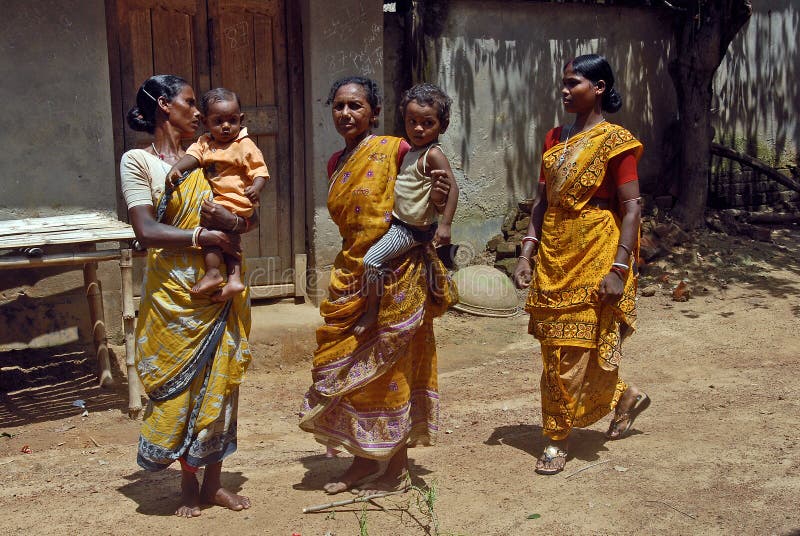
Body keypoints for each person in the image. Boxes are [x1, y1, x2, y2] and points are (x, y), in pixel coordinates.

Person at [299, 76, 457, 496]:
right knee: (353, 372)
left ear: (374, 112)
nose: (346, 114)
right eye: (339, 106)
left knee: (391, 371)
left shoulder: (399, 148)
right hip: (351, 276)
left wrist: (442, 210)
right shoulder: (335, 163)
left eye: (356, 106)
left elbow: (429, 197)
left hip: (398, 276)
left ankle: (395, 469)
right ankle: (361, 460)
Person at [120, 74, 256, 516]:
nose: (199, 112)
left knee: (219, 386)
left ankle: (214, 484)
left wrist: (231, 225)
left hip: (220, 292)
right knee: (179, 390)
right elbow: (146, 230)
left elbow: (243, 216)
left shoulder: (215, 155)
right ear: (164, 105)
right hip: (174, 295)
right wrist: (205, 235)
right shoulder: (138, 162)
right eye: (190, 102)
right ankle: (186, 485)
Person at [512, 54, 651, 476]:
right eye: (563, 83)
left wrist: (619, 269)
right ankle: (623, 396)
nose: (564, 90)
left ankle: (556, 437)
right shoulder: (554, 138)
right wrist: (526, 253)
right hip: (554, 252)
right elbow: (540, 202)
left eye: (574, 83)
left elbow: (631, 209)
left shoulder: (616, 141)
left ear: (600, 88)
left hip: (595, 249)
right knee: (553, 347)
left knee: (572, 348)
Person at [354, 82, 459, 335]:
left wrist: (445, 225)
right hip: (399, 222)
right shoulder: (411, 150)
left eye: (427, 123)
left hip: (409, 230)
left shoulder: (433, 154)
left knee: (371, 260)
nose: (418, 128)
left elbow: (453, 188)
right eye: (412, 121)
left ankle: (371, 312)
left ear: (442, 126)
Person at [166, 87, 269, 301]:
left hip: (235, 200)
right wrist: (178, 167)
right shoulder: (205, 143)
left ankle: (213, 273)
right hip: (222, 202)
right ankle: (234, 280)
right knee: (230, 239)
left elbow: (260, 170)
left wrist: (256, 188)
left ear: (241, 119)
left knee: (210, 235)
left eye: (232, 121)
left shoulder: (244, 144)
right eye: (218, 121)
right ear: (206, 122)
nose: (225, 127)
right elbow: (193, 156)